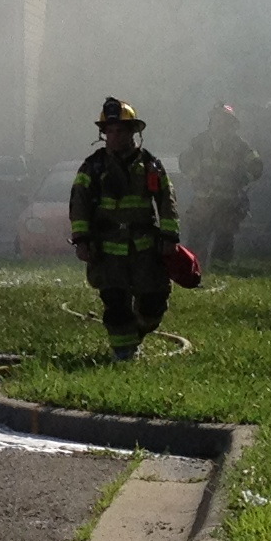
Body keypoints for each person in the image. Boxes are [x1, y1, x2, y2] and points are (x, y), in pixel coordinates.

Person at [69, 97, 181, 357]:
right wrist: (81, 239)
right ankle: (124, 358)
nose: (114, 136)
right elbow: (79, 203)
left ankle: (136, 334)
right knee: (116, 305)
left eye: (120, 130)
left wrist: (169, 236)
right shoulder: (93, 167)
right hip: (107, 252)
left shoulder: (150, 165)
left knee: (154, 305)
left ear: (133, 132)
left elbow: (166, 199)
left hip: (145, 249)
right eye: (110, 131)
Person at [182, 104, 264, 266]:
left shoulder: (240, 145)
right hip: (203, 199)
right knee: (197, 234)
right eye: (216, 120)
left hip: (228, 200)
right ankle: (191, 269)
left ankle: (220, 271)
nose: (219, 124)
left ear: (231, 124)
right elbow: (184, 160)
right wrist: (194, 177)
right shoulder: (199, 141)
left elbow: (257, 165)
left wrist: (244, 178)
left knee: (224, 236)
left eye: (223, 121)